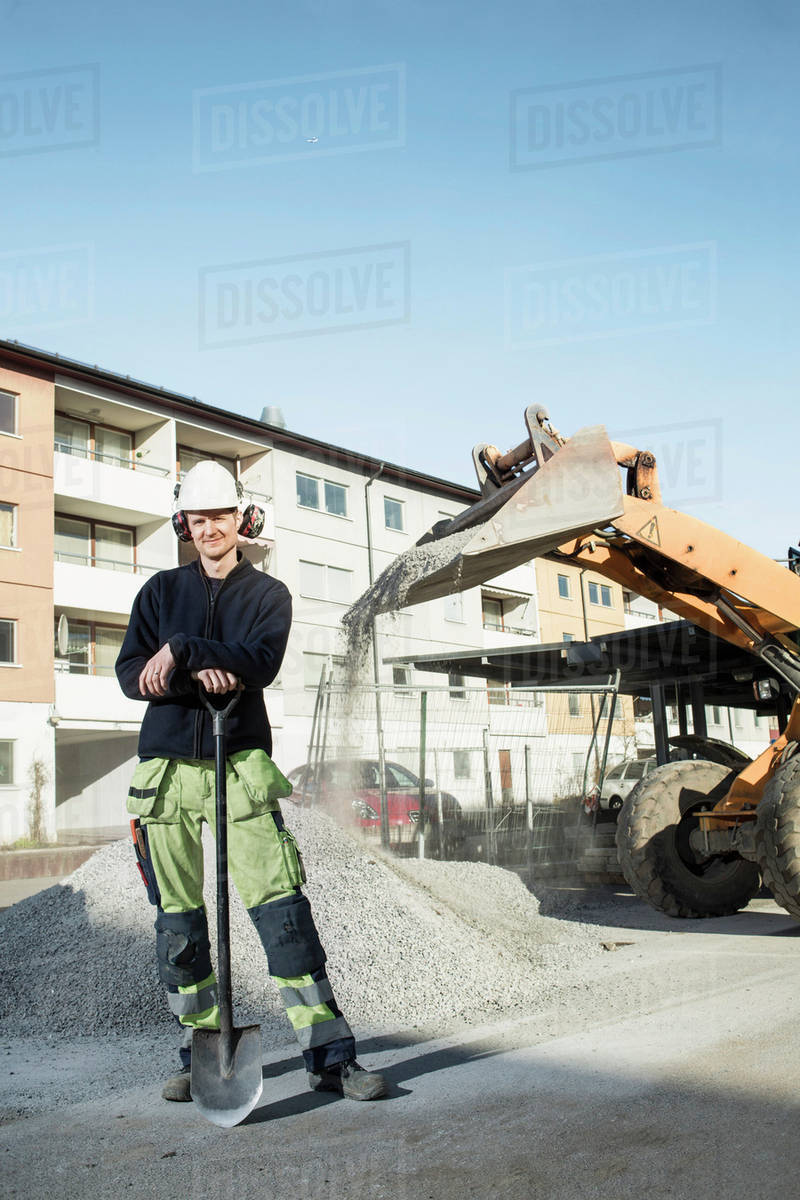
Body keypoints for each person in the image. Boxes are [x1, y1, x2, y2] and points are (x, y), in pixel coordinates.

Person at [115, 460, 385, 1104]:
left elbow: (259, 664)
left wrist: (182, 650)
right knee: (178, 924)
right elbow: (131, 676)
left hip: (238, 765)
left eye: (222, 516)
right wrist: (199, 663)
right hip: (166, 774)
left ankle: (329, 1055)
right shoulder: (156, 592)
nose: (211, 528)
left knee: (282, 912)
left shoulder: (269, 596)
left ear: (243, 520)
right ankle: (200, 1047)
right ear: (185, 522)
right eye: (199, 517)